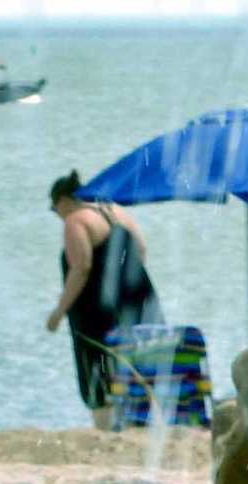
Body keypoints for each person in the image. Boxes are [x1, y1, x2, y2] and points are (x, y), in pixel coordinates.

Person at [44, 169, 163, 431]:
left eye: (54, 209)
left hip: (97, 314)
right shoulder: (116, 211)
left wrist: (58, 312)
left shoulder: (75, 220)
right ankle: (141, 425)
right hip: (138, 302)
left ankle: (105, 431)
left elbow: (81, 267)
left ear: (63, 201)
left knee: (98, 377)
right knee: (137, 366)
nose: (58, 215)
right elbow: (141, 250)